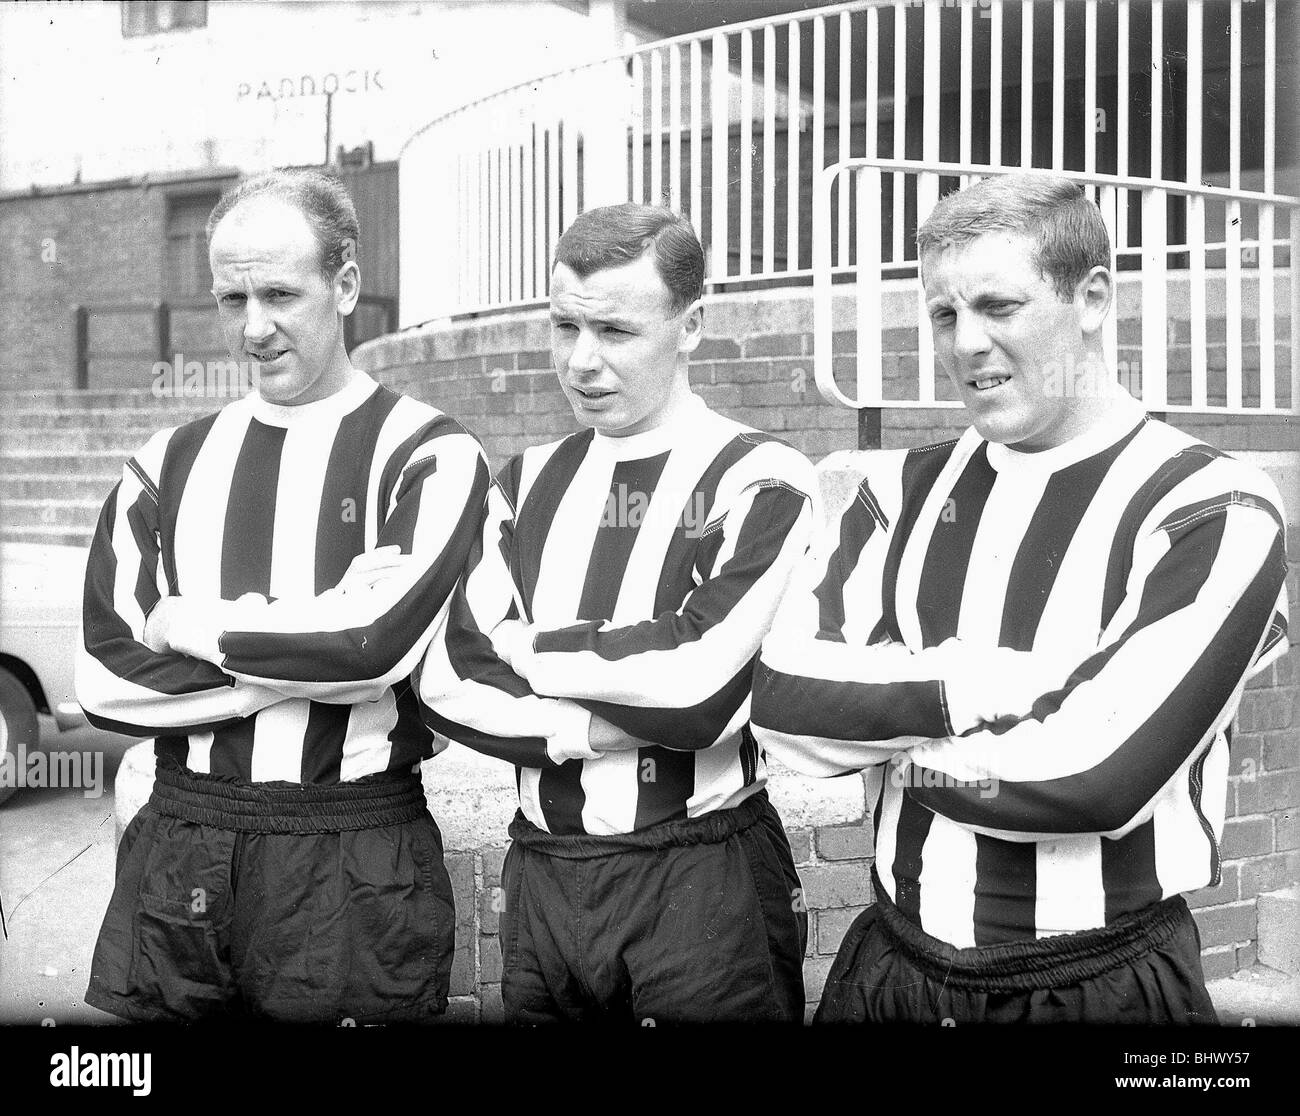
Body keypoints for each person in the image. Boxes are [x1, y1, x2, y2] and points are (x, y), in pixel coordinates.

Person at [751, 172, 1289, 1025]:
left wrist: (891, 746)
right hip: (893, 967)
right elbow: (782, 705)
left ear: (1092, 297)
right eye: (942, 313)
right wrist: (985, 690)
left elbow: (1096, 776)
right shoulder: (896, 489)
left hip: (1099, 981)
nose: (965, 342)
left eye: (999, 306)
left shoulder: (1211, 507)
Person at [77, 169, 490, 1023]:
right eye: (233, 298)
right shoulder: (166, 463)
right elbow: (105, 677)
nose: (254, 327)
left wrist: (187, 624)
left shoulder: (431, 454)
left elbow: (372, 644)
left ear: (343, 286)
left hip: (352, 846)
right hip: (183, 836)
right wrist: (318, 644)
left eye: (279, 294)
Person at [417, 202, 817, 1023]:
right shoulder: (521, 485)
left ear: (692, 323)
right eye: (565, 327)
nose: (583, 362)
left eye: (617, 332)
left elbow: (703, 692)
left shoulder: (761, 478)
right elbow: (450, 678)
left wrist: (524, 647)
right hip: (543, 872)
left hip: (701, 873)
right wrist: (596, 727)